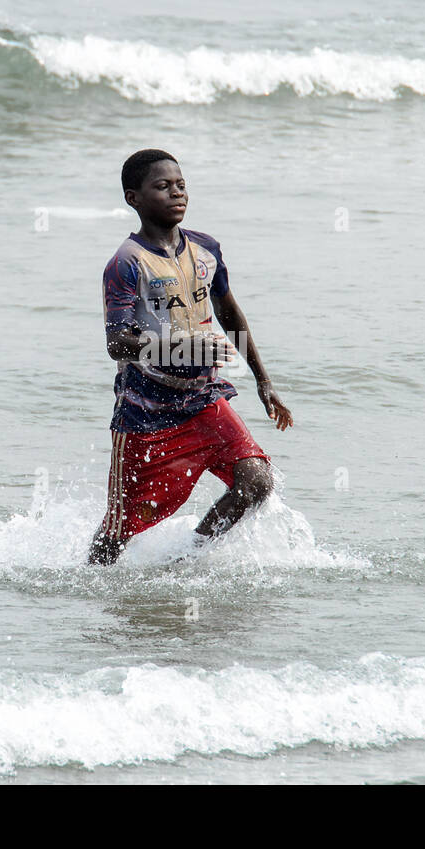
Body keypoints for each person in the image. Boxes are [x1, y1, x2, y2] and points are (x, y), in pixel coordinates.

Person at [88, 149, 293, 565]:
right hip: (145, 412)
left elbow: (228, 311)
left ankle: (185, 561)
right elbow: (117, 344)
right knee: (120, 528)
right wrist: (182, 347)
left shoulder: (206, 249)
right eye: (162, 187)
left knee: (256, 480)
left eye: (180, 185)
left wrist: (263, 380)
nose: (176, 193)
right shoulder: (126, 264)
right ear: (134, 198)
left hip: (202, 398)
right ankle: (92, 588)